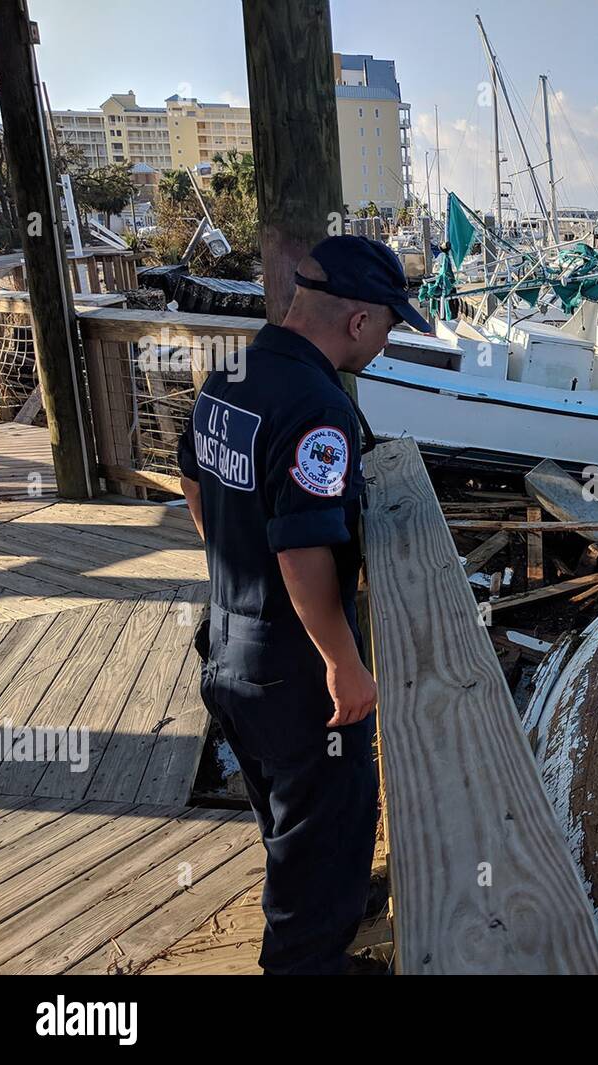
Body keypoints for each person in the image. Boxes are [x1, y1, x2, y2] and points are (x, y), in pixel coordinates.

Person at [177, 235, 430, 974]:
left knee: (290, 834)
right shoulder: (319, 408)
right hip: (297, 677)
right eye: (389, 327)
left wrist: (235, 551)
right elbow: (303, 552)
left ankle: (310, 951)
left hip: (228, 649)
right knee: (324, 850)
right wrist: (344, 665)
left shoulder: (233, 374)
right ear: (357, 321)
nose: (386, 344)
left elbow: (194, 481)